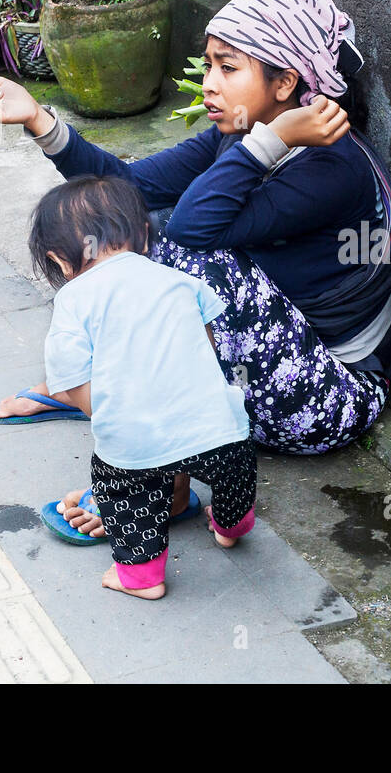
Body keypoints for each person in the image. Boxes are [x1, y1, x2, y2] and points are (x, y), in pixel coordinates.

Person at [0, 0, 391, 542]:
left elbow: (190, 233)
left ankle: (160, 479)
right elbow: (130, 187)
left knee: (178, 254)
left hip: (326, 396)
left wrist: (274, 139)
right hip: (264, 366)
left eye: (228, 69)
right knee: (106, 220)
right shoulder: (239, 133)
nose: (208, 84)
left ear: (286, 83)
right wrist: (41, 121)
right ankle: (93, 388)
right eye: (208, 65)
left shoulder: (330, 167)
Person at [30, 173, 256, 598]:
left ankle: (141, 578)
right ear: (145, 236)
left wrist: (114, 414)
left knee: (127, 495)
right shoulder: (178, 280)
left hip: (134, 442)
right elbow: (207, 347)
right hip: (216, 425)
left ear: (60, 261)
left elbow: (70, 381)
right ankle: (231, 526)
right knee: (234, 473)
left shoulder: (73, 300)